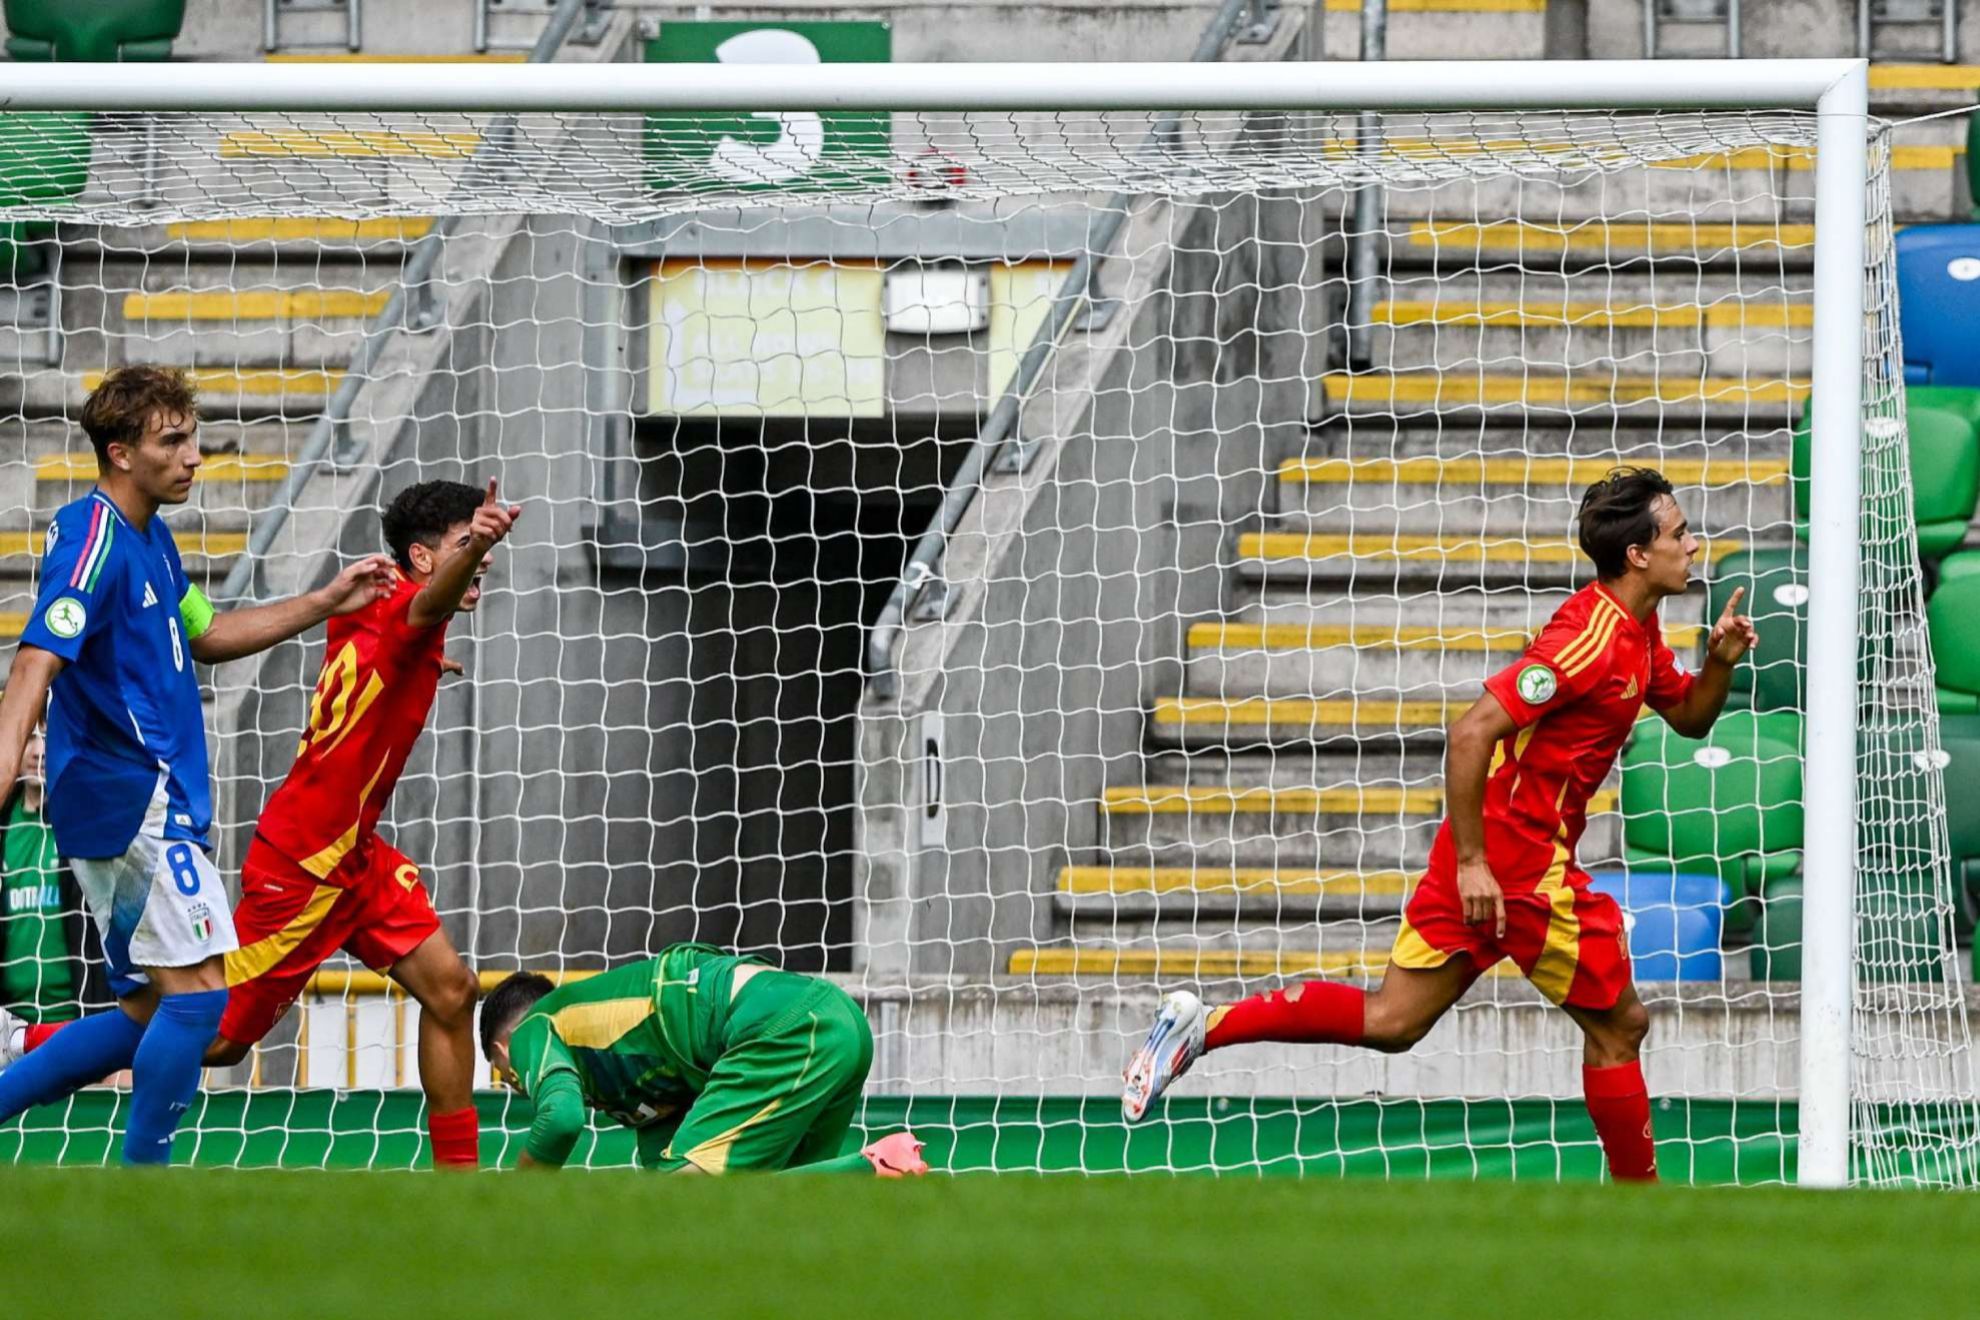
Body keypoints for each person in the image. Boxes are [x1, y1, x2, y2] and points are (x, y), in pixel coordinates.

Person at [1121, 467, 1760, 1183]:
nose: (1694, 545)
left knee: (1393, 1020)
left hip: (1488, 853)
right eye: (1679, 534)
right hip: (1517, 865)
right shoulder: (1584, 642)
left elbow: (1690, 715)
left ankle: (1201, 1027)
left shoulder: (1636, 631)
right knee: (1622, 1026)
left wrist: (1720, 662)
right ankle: (1648, 1211)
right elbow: (1469, 734)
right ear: (1638, 554)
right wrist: (1476, 863)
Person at [1, 477, 519, 1170]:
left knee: (452, 992)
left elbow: (398, 632)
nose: (479, 559)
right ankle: (24, 1045)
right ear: (424, 559)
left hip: (354, 857)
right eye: (463, 547)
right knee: (209, 1035)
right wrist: (476, 545)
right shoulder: (410, 613)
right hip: (306, 865)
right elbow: (425, 608)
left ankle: (465, 1192)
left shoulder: (374, 605)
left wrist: (423, 656)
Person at [0, 365, 399, 1164]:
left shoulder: (151, 538)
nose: (193, 457)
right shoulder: (93, 539)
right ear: (120, 453)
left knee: (154, 1009)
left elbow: (207, 635)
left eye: (192, 439)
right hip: (128, 799)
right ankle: (146, 1179)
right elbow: (34, 663)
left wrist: (325, 602)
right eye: (171, 441)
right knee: (204, 997)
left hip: (153, 798)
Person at [480, 944, 929, 1176]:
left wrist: (519, 1200)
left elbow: (559, 1119)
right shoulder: (630, 1072)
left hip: (785, 1029)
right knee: (781, 1215)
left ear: (503, 1052)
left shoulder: (535, 1027)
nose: (519, 1084)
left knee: (693, 1188)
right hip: (834, 1022)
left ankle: (875, 1166)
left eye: (507, 1077)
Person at [0, 733, 110, 1027]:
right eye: (29, 738)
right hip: (10, 1025)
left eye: (48, 738)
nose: (39, 752)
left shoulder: (85, 825)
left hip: (78, 1020)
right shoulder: (5, 826)